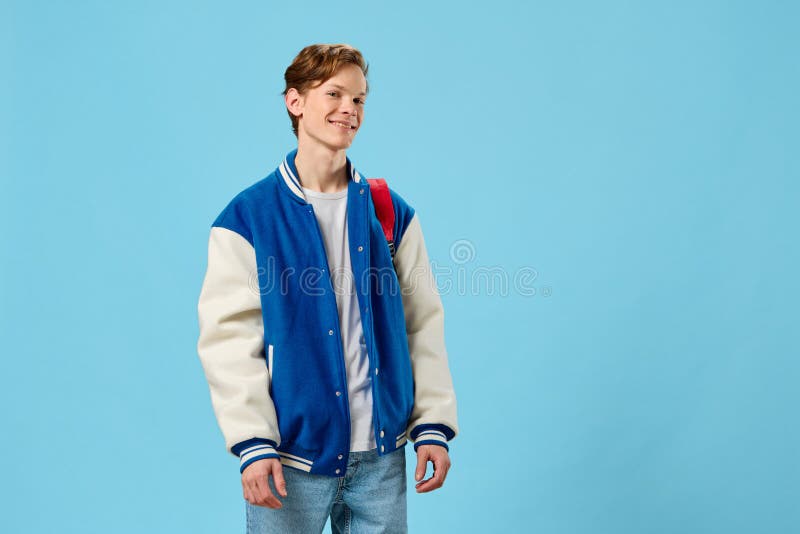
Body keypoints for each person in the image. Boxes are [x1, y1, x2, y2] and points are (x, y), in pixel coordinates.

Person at [196, 43, 459, 533]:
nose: (349, 109)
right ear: (294, 102)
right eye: (334, 93)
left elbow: (423, 323)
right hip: (291, 459)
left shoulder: (389, 210)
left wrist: (433, 427)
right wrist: (252, 441)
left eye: (359, 99)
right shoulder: (248, 218)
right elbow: (229, 340)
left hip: (382, 456)